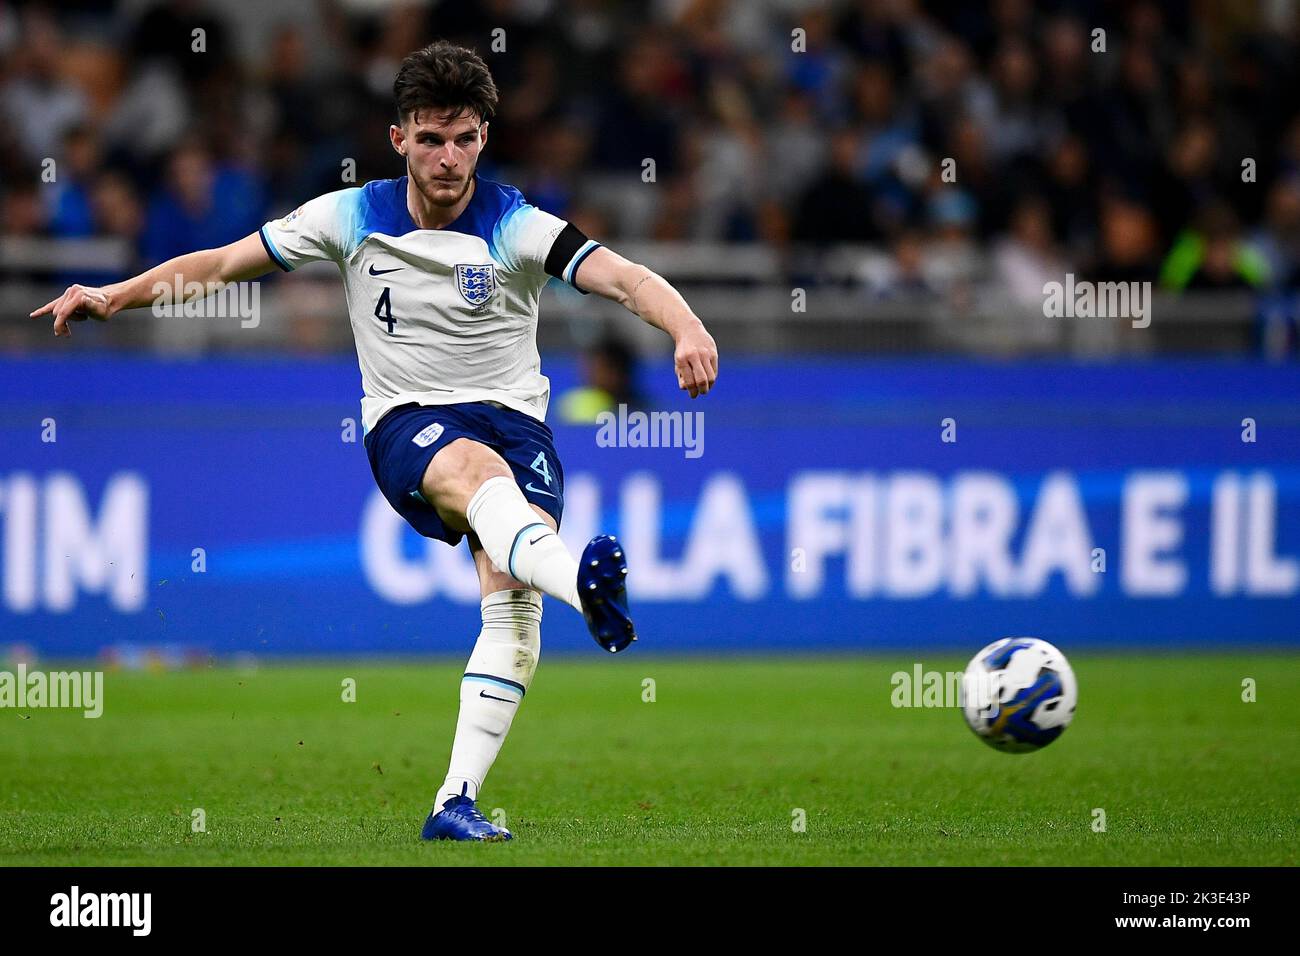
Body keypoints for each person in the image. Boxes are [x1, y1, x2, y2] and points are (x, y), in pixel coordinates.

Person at [31, 40, 718, 843]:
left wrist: (688, 325)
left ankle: (453, 801)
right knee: (474, 471)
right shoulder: (349, 215)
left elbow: (627, 278)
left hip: (520, 424)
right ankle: (588, 590)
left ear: (484, 139)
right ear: (398, 140)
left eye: (463, 138)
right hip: (410, 424)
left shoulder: (520, 226)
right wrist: (114, 295)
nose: (448, 158)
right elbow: (221, 263)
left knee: (511, 606)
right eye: (430, 138)